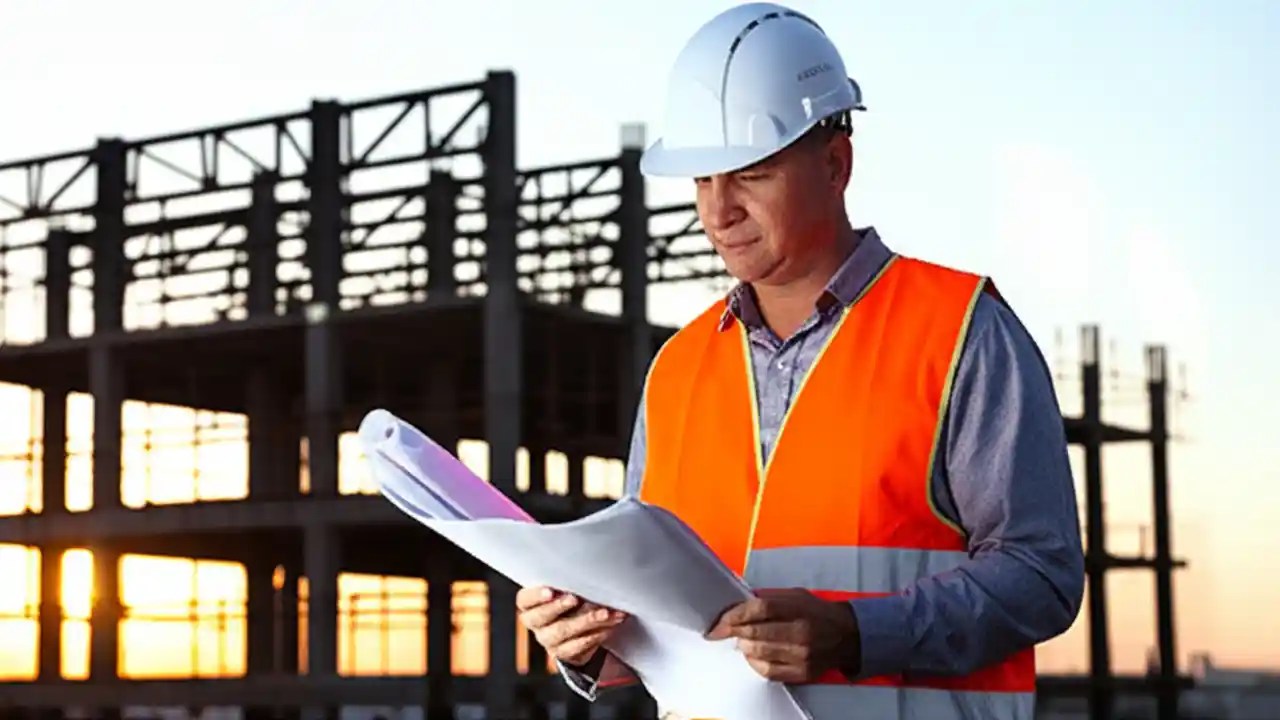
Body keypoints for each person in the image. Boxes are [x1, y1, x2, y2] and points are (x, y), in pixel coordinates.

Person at [516, 3, 1084, 719]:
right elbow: (658, 620)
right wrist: (588, 643)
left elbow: (1043, 575)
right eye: (700, 180)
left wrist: (856, 635)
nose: (717, 212)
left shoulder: (962, 332)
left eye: (749, 173)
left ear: (836, 164)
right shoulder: (677, 370)